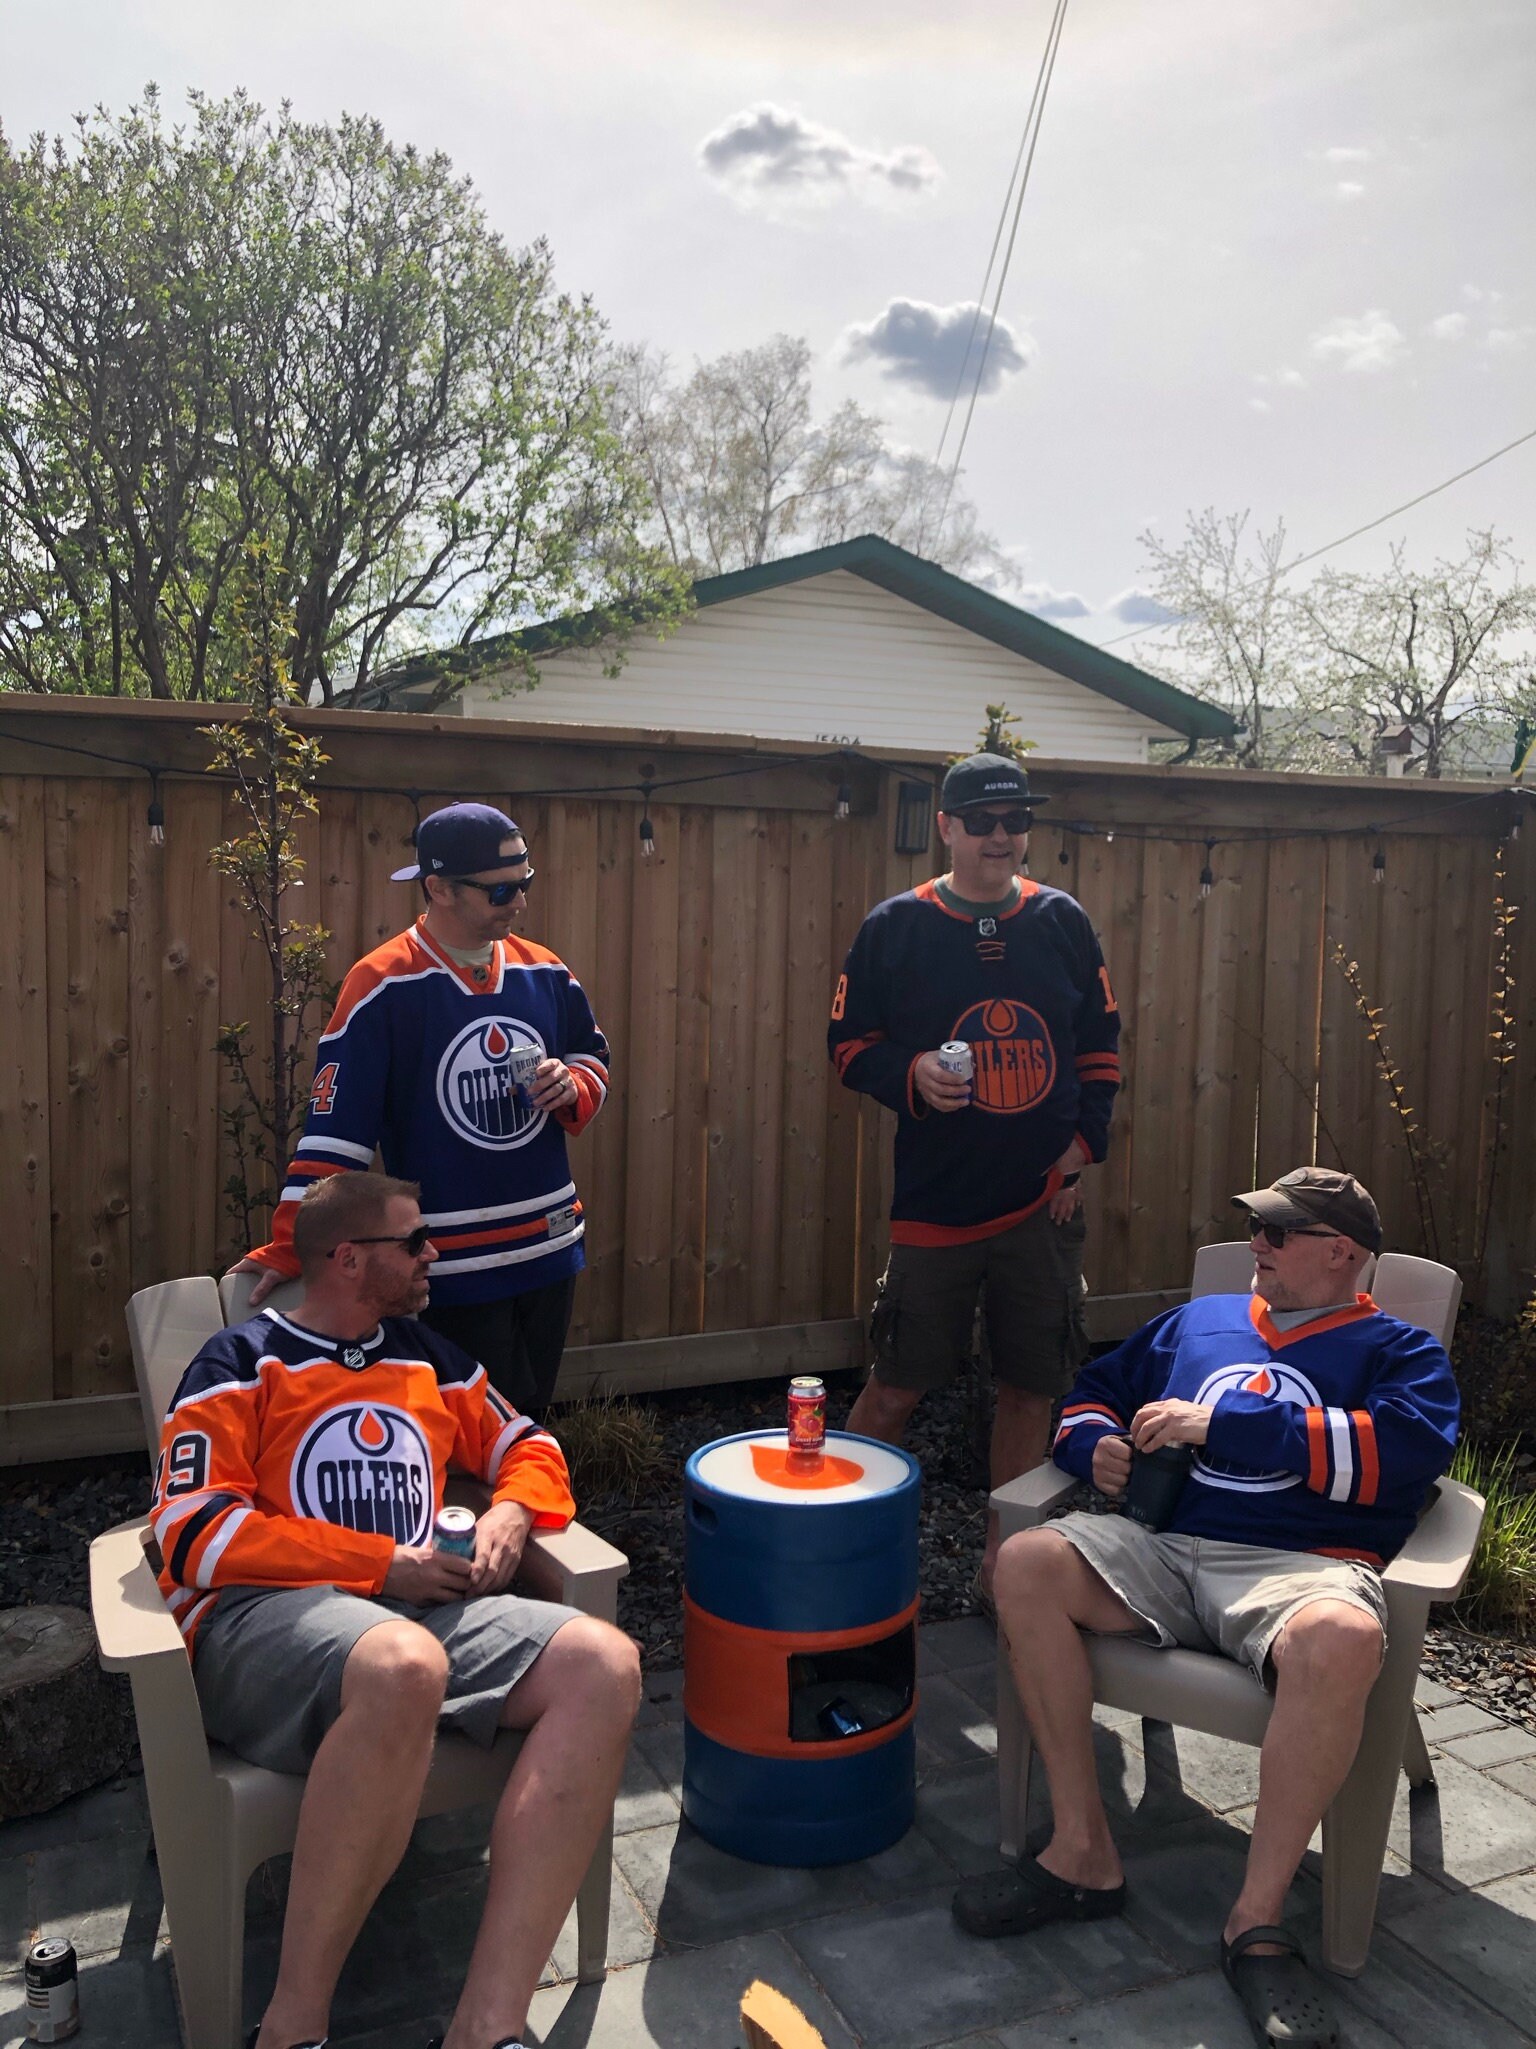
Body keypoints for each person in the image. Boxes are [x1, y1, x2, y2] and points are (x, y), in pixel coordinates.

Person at [952, 1168, 1459, 2049]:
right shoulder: (1203, 1320)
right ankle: (1082, 1850)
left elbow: (1401, 1456)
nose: (1256, 1246)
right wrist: (1096, 1446)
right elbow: (1091, 1392)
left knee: (1343, 1635)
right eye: (1254, 1231)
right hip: (1165, 1552)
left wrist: (1215, 1426)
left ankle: (1255, 1921)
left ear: (1342, 1252)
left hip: (1299, 1568)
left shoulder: (1400, 1352)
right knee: (1028, 1560)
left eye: (1278, 1233)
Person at [153, 1170, 641, 2049]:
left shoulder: (428, 1355)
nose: (433, 1252)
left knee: (603, 1666)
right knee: (402, 1662)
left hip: (419, 1618)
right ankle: (291, 2027)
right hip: (262, 1628)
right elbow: (194, 1531)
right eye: (414, 1240)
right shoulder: (237, 1361)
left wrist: (510, 1509)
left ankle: (486, 2028)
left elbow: (530, 1442)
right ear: (346, 1258)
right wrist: (382, 1564)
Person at [828, 751, 1121, 1597]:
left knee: (1033, 1385)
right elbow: (847, 1045)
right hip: (936, 1207)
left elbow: (1101, 1048)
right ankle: (838, 1543)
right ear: (947, 827)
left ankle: (1004, 1563)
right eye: (983, 821)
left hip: (1042, 1202)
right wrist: (910, 1073)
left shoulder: (1062, 921)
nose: (1002, 836)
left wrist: (1081, 1151)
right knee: (894, 1385)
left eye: (1015, 821)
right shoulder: (897, 926)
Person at [230, 801, 609, 1418]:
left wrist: (573, 1083)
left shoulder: (547, 972)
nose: (519, 903)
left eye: (526, 883)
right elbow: (335, 1136)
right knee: (468, 1438)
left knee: (529, 1424)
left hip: (550, 1247)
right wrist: (292, 1243)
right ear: (438, 887)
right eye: (501, 891)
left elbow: (592, 1055)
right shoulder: (382, 984)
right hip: (451, 1266)